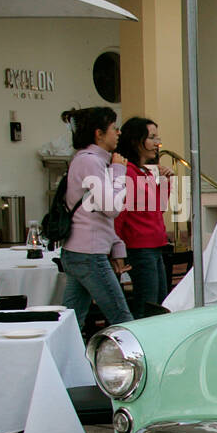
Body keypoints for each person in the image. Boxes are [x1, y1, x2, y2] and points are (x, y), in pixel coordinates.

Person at [62, 107, 133, 328]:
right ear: (99, 134)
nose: (118, 133)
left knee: (72, 321)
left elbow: (96, 213)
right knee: (122, 319)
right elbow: (111, 207)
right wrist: (120, 172)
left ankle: (65, 360)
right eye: (114, 128)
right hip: (89, 254)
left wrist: (116, 245)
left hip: (80, 250)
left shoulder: (90, 161)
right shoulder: (90, 162)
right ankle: (141, 360)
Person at [115, 117, 173, 318]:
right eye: (152, 137)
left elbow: (159, 208)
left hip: (156, 244)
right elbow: (120, 214)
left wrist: (165, 181)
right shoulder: (127, 172)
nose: (157, 143)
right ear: (135, 140)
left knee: (159, 299)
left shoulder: (144, 172)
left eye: (157, 137)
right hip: (139, 247)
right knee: (146, 302)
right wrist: (117, 250)